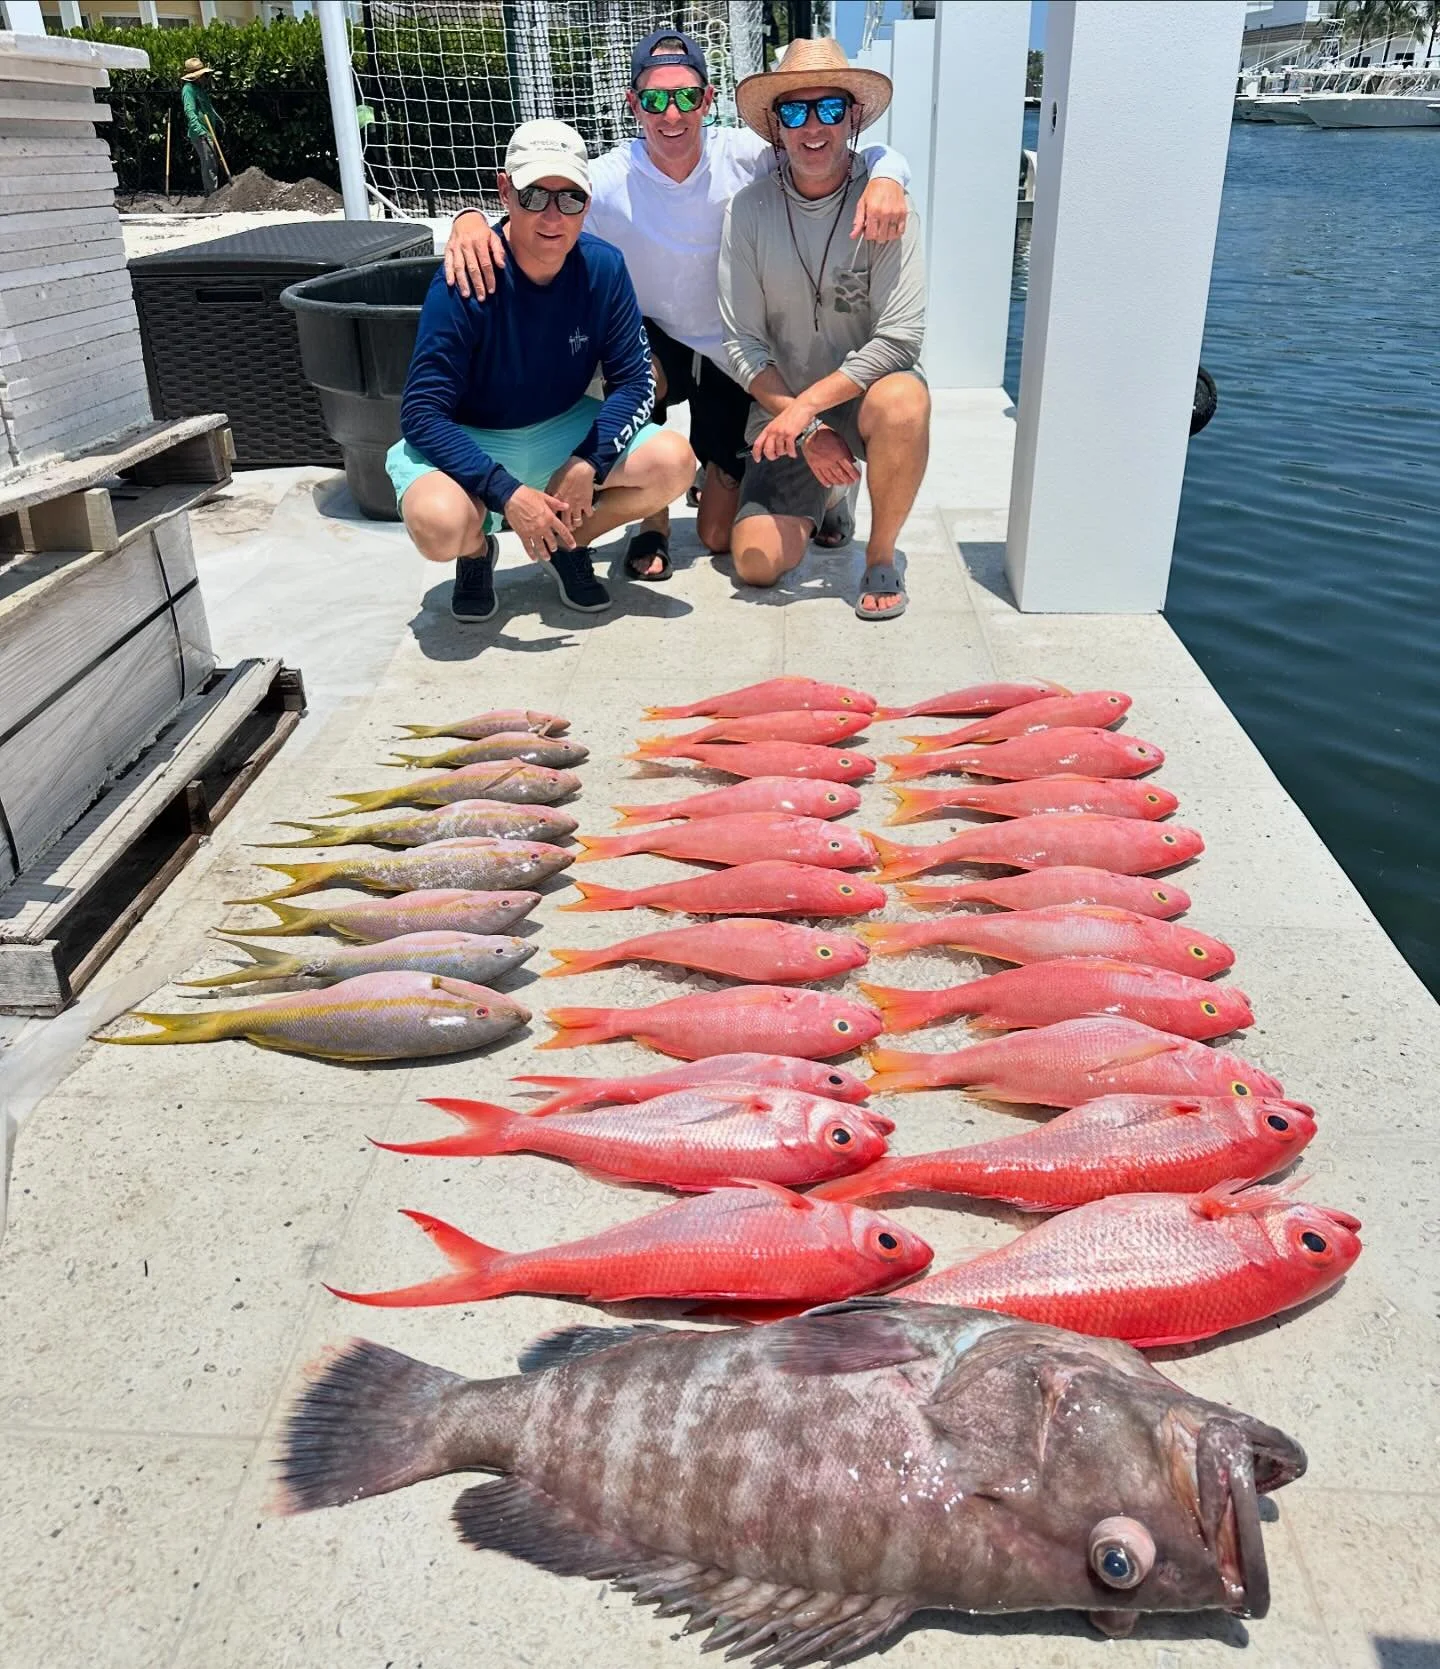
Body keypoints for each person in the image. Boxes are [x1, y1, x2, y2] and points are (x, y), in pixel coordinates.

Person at [443, 28, 912, 580]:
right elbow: (539, 204)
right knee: (628, 376)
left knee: (716, 536)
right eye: (656, 99)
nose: (672, 114)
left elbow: (841, 150)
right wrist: (468, 220)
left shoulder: (746, 156)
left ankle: (826, 494)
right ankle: (652, 522)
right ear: (634, 105)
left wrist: (889, 176)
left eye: (687, 96)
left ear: (708, 100)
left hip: (737, 351)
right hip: (658, 340)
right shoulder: (608, 180)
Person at [388, 119, 694, 622]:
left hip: (562, 424)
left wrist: (587, 463)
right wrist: (505, 492)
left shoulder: (604, 268)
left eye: (570, 198)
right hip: (473, 433)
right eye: (535, 196)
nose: (553, 216)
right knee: (439, 525)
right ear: (505, 191)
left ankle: (564, 542)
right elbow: (421, 413)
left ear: (587, 203)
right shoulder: (464, 275)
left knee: (674, 461)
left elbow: (636, 382)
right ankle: (474, 554)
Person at [720, 37, 930, 621]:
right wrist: (806, 425)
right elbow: (741, 342)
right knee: (757, 565)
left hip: (855, 401)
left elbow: (902, 337)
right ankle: (830, 494)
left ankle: (881, 555)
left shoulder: (889, 205)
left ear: (853, 116)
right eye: (794, 111)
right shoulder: (747, 210)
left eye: (830, 109)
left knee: (906, 400)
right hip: (786, 411)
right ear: (776, 126)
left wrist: (808, 409)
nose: (813, 126)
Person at [179, 58, 222, 197]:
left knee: (212, 162)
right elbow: (189, 111)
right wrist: (200, 130)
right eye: (204, 75)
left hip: (208, 131)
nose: (206, 78)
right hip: (201, 133)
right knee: (208, 163)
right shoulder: (188, 89)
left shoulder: (200, 89)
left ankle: (213, 193)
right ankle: (211, 195)